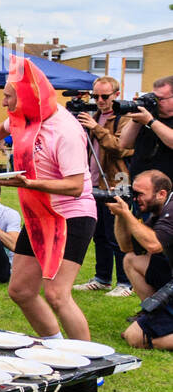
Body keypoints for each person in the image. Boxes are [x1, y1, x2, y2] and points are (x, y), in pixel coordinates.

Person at [0, 56, 96, 340]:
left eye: (7, 97)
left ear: (27, 95)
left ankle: (88, 366)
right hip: (41, 214)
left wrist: (29, 184)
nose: (3, 103)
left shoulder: (64, 130)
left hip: (71, 215)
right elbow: (1, 129)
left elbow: (76, 186)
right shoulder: (25, 114)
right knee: (21, 290)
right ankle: (56, 347)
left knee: (56, 293)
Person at [74, 75, 134, 296]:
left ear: (116, 95)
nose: (99, 100)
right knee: (98, 233)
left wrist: (95, 128)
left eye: (104, 96)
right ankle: (102, 278)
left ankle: (126, 283)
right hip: (94, 180)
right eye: (95, 95)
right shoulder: (94, 115)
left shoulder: (126, 118)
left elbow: (121, 147)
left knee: (117, 235)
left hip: (117, 182)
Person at [107, 170, 173, 349]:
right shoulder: (160, 209)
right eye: (133, 193)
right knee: (131, 259)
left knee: (135, 338)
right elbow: (126, 247)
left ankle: (158, 330)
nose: (135, 198)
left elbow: (153, 245)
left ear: (161, 194)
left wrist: (127, 215)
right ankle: (154, 314)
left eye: (140, 194)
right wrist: (122, 214)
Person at [117, 76, 173, 182]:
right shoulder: (148, 114)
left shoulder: (149, 119)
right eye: (154, 97)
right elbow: (124, 143)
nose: (155, 102)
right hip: (140, 186)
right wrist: (136, 119)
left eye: (160, 99)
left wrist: (151, 122)